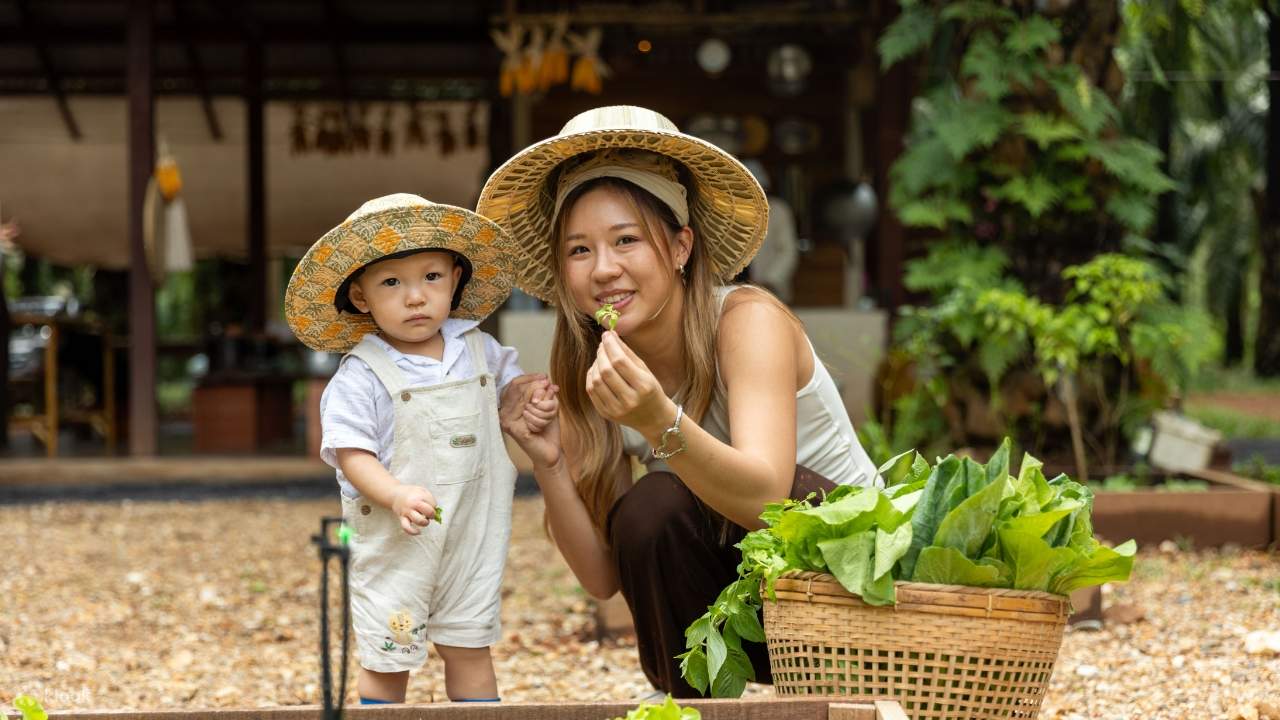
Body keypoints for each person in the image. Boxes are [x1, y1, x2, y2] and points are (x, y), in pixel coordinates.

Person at [477, 106, 881, 697]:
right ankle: (697, 705)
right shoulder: (596, 372)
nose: (604, 269)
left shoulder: (747, 322)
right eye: (579, 250)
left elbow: (771, 496)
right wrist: (550, 461)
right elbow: (603, 575)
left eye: (626, 240)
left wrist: (658, 420)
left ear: (680, 246)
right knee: (651, 507)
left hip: (853, 585)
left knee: (710, 488)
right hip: (741, 617)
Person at [284, 193, 557, 704]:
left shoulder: (480, 349)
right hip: (396, 541)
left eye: (431, 277)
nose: (415, 297)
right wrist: (394, 494)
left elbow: (510, 396)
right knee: (390, 651)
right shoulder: (361, 375)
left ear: (455, 278)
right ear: (362, 297)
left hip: (474, 534)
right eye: (392, 283)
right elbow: (352, 453)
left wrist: (531, 398)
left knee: (470, 644)